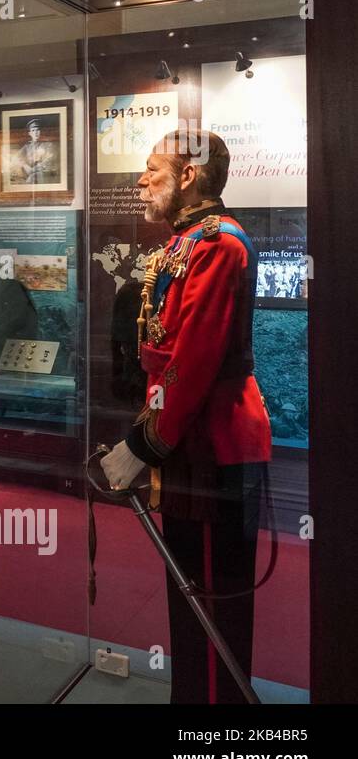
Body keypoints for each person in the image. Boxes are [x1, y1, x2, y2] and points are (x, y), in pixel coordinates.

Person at [100, 128, 271, 704]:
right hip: (185, 436)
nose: (141, 180)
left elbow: (194, 362)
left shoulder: (220, 244)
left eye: (152, 168)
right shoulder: (188, 242)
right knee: (189, 591)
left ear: (189, 175)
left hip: (210, 442)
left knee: (209, 594)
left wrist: (142, 445)